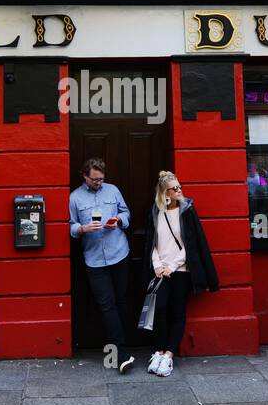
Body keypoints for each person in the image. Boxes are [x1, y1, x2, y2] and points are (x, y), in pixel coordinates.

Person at [142, 171, 219, 377]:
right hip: (160, 270)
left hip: (181, 270)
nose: (179, 191)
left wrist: (172, 266)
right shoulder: (156, 212)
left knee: (177, 312)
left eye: (179, 187)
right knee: (159, 310)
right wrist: (157, 264)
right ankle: (158, 351)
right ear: (163, 192)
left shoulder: (187, 211)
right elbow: (152, 242)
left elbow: (191, 245)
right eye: (174, 188)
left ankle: (168, 356)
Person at [69, 158, 134, 374]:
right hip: (94, 259)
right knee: (106, 305)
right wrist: (83, 229)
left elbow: (127, 213)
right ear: (85, 176)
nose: (99, 182)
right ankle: (120, 353)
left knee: (121, 301)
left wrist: (119, 220)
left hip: (119, 252)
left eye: (101, 179)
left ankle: (122, 346)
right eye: (95, 179)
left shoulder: (113, 190)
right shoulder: (75, 198)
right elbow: (71, 226)